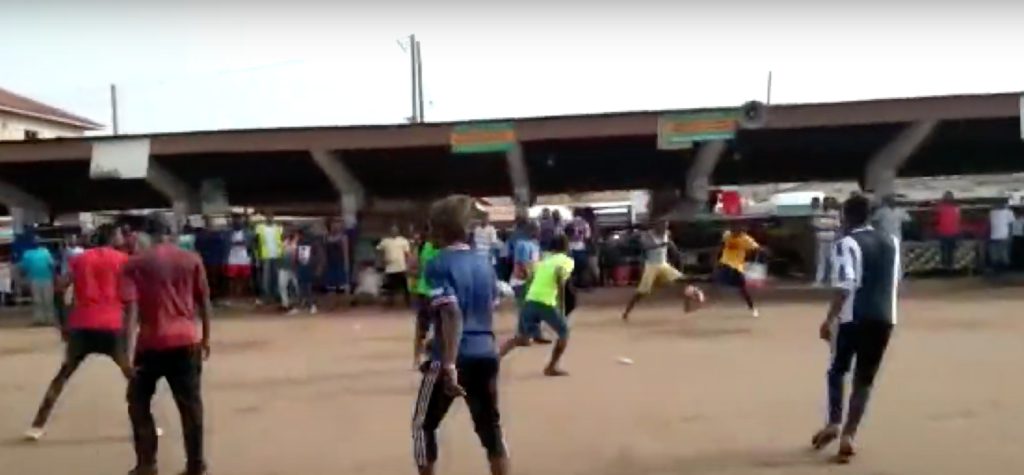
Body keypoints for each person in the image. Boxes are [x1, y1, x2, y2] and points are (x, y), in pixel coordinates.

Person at [24, 225, 156, 441]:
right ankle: (145, 424)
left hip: (81, 325)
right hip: (112, 326)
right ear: (113, 237)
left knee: (63, 375)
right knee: (132, 376)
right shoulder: (123, 260)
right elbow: (132, 303)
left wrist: (63, 322)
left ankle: (37, 425)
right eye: (120, 235)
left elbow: (59, 288)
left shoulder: (80, 259)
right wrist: (130, 336)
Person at [411, 194, 508, 475]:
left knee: (422, 426)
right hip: (485, 353)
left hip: (450, 358)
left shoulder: (438, 264)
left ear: (439, 229)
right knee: (491, 430)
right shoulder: (484, 263)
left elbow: (451, 312)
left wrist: (450, 363)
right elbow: (489, 306)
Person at [811, 194, 900, 464]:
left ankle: (835, 421)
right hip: (885, 317)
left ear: (846, 217)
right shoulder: (892, 243)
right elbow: (894, 280)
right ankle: (849, 435)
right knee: (864, 379)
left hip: (854, 317)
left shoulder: (846, 242)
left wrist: (829, 319)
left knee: (838, 370)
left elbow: (846, 283)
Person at [122, 214, 212, 475]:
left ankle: (147, 463)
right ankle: (195, 464)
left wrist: (127, 354)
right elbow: (204, 301)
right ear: (171, 233)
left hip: (150, 343)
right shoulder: (192, 259)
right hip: (186, 340)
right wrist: (206, 337)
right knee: (191, 405)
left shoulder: (135, 263)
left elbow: (132, 312)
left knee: (138, 402)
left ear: (146, 235)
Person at [499, 235, 574, 376]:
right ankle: (551, 367)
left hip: (530, 300)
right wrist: (562, 306)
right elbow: (560, 278)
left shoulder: (543, 260)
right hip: (546, 301)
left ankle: (494, 360)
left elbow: (531, 277)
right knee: (564, 333)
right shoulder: (567, 261)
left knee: (521, 339)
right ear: (566, 247)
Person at [621, 220, 704, 321]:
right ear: (656, 226)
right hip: (651, 265)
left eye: (666, 226)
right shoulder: (648, 235)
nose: (665, 228)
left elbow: (671, 245)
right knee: (641, 293)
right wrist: (661, 245)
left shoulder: (666, 234)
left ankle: (687, 306)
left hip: (663, 264)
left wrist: (677, 253)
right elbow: (646, 247)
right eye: (663, 226)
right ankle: (627, 312)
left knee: (683, 280)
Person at [509, 221, 551, 344]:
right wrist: (528, 278)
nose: (539, 232)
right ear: (531, 231)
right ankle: (524, 335)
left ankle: (536, 333)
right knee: (525, 309)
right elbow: (522, 264)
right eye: (537, 229)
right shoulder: (522, 244)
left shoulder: (535, 245)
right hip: (522, 281)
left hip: (534, 280)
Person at [714, 222, 763, 318]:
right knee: (717, 279)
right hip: (725, 263)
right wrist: (717, 259)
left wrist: (754, 259)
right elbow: (721, 245)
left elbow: (757, 249)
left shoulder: (746, 239)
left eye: (735, 230)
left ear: (740, 230)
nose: (733, 232)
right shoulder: (727, 235)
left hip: (737, 266)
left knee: (743, 289)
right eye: (732, 229)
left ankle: (752, 308)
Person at [412, 237, 441, 368]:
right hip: (427, 292)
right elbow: (417, 267)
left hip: (434, 292)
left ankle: (422, 356)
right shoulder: (427, 246)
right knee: (422, 328)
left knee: (434, 328)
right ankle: (417, 357)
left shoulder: (439, 247)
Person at [19, 239, 56, 326]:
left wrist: (23, 277)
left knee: (37, 300)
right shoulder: (46, 252)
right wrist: (54, 276)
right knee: (48, 300)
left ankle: (39, 320)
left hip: (34, 279)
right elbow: (52, 265)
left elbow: (23, 269)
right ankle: (49, 320)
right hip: (46, 278)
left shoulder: (27, 254)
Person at [377, 224, 412, 307]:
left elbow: (407, 253)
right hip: (390, 268)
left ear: (398, 231)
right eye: (392, 230)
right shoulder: (385, 241)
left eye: (395, 230)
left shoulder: (403, 241)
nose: (394, 232)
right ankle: (389, 303)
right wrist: (382, 260)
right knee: (389, 287)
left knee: (405, 286)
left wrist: (408, 264)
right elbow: (379, 250)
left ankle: (408, 303)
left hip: (401, 267)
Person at [195, 217, 228, 303]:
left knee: (212, 280)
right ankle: (211, 297)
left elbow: (198, 247)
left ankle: (212, 297)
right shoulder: (212, 235)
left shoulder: (208, 235)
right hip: (209, 260)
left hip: (212, 260)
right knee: (210, 280)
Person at [254, 213, 284, 305]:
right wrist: (258, 257)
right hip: (265, 255)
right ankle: (266, 296)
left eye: (271, 217)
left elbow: (282, 241)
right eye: (268, 217)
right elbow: (257, 243)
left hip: (277, 255)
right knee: (266, 278)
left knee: (277, 277)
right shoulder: (260, 228)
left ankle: (277, 295)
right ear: (265, 218)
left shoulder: (278, 228)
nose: (270, 218)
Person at [812, 197, 842, 286]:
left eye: (829, 202)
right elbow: (816, 225)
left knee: (833, 260)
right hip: (821, 238)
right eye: (825, 202)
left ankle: (834, 280)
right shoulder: (818, 212)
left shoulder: (835, 213)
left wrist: (825, 225)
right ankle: (819, 280)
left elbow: (837, 225)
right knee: (821, 261)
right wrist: (827, 225)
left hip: (832, 237)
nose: (827, 204)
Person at [225, 214, 254, 301]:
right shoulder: (229, 233)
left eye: (239, 220)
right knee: (232, 278)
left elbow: (249, 243)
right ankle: (232, 295)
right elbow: (227, 243)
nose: (237, 222)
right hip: (232, 257)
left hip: (244, 257)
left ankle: (241, 295)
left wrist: (242, 243)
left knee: (244, 277)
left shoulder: (247, 232)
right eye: (235, 220)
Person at [323, 219, 351, 306]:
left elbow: (345, 252)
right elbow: (324, 252)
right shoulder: (326, 237)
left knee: (342, 286)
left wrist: (346, 264)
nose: (335, 227)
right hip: (330, 264)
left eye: (337, 225)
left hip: (340, 263)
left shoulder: (343, 237)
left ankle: (344, 304)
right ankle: (332, 304)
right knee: (331, 287)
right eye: (333, 225)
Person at [934, 191, 961, 272]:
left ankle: (945, 267)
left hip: (943, 232)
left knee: (944, 250)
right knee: (951, 251)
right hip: (953, 232)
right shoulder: (956, 208)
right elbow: (958, 219)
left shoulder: (940, 207)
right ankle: (950, 267)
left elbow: (936, 216)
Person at [566, 210, 593, 288]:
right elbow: (588, 236)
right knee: (582, 268)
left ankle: (572, 285)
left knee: (571, 268)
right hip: (581, 247)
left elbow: (564, 234)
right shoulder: (585, 223)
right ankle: (583, 284)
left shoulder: (569, 223)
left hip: (570, 247)